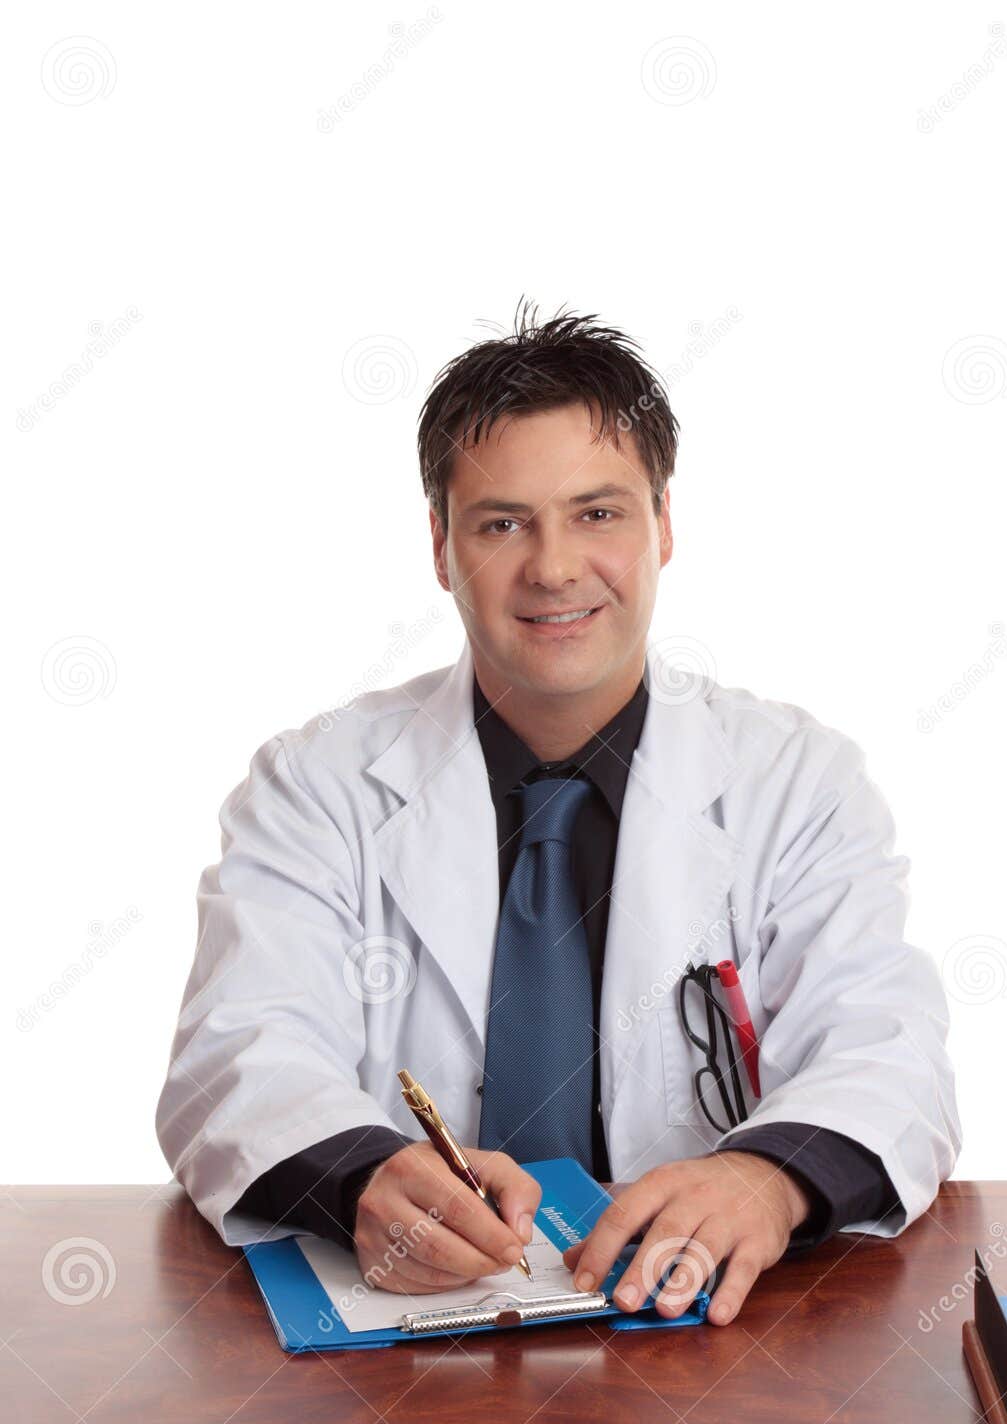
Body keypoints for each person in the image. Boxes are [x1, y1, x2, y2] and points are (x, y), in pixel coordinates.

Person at [155, 302, 961, 1326]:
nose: (553, 567)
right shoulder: (313, 786)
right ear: (442, 549)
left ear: (664, 526)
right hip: (413, 1362)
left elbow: (892, 1049)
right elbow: (236, 1050)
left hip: (705, 1351)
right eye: (502, 523)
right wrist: (361, 1175)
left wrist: (766, 1178)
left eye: (598, 513)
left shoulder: (798, 780)